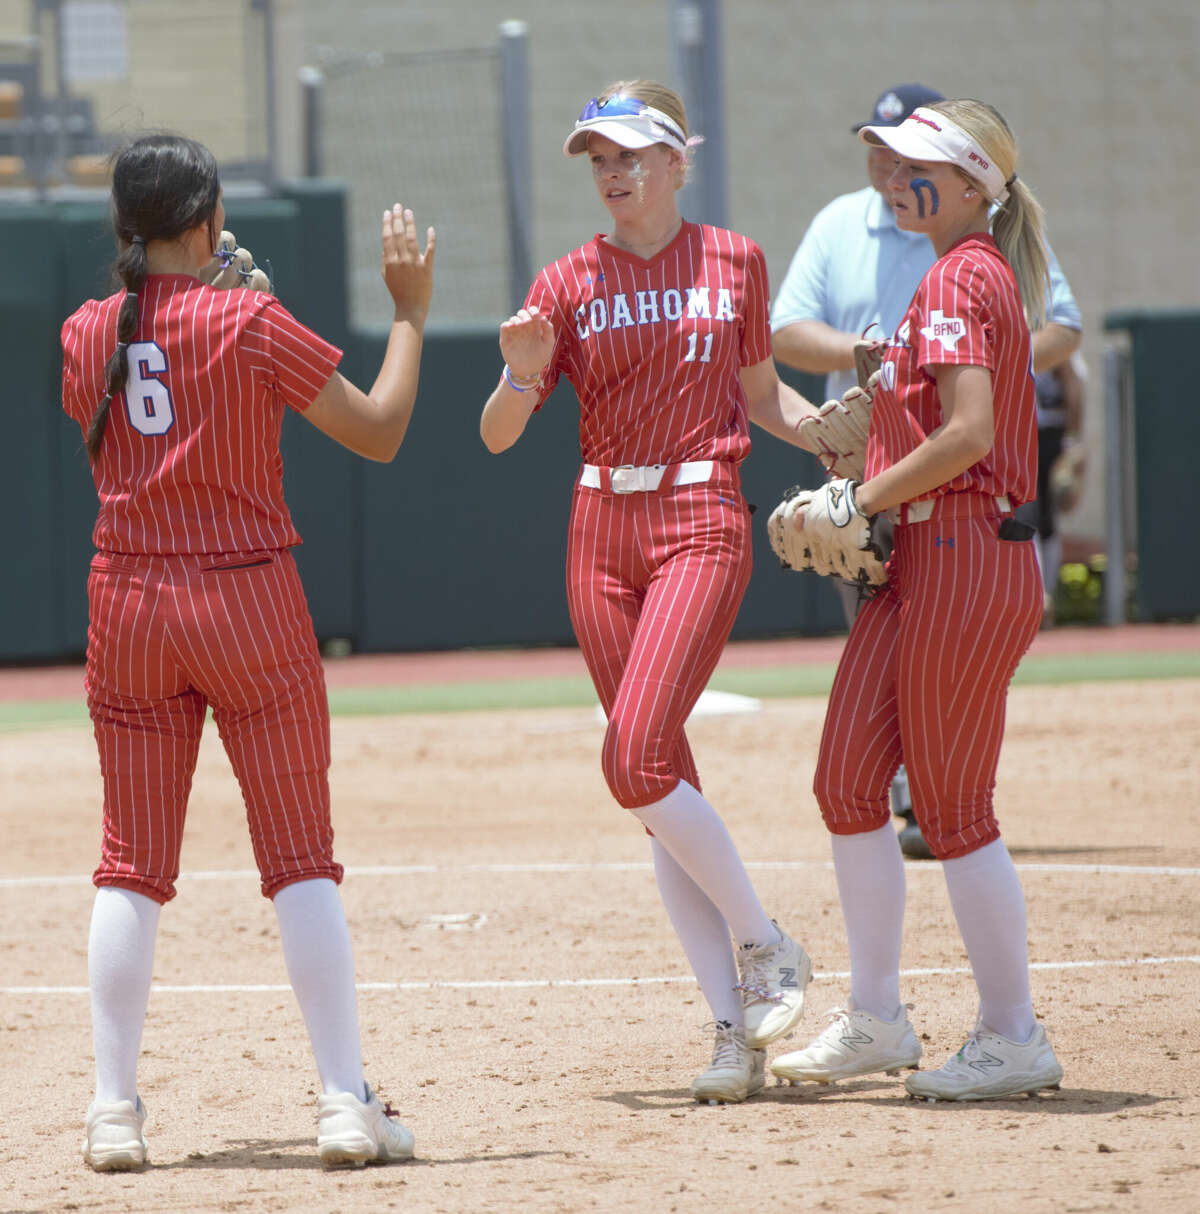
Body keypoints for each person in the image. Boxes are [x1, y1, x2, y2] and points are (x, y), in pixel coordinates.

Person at [60, 134, 435, 1169]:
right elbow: (380, 429)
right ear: (203, 223)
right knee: (299, 859)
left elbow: (143, 378)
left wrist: (206, 306)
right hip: (245, 599)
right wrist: (407, 312)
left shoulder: (85, 329)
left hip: (127, 599)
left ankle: (111, 1108)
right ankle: (343, 1100)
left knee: (130, 866)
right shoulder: (250, 318)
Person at [479, 81, 829, 1105]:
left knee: (631, 757)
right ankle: (733, 1028)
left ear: (682, 158)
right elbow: (498, 436)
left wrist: (840, 446)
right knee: (656, 787)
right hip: (600, 528)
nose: (613, 170)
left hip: (699, 517)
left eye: (632, 152)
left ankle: (766, 943)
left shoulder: (735, 259)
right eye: (598, 157)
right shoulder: (566, 280)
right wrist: (514, 378)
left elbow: (764, 398)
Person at [770, 99, 1065, 1100]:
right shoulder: (958, 274)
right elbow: (939, 420)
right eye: (889, 165)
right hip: (920, 559)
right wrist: (872, 439)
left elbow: (974, 432)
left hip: (967, 552)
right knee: (847, 780)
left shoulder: (960, 272)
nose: (897, 179)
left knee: (950, 808)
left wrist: (857, 492)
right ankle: (878, 1015)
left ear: (978, 182)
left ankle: (1012, 1032)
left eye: (919, 166)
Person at [1016, 354, 1087, 624]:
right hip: (1023, 433)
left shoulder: (1062, 349)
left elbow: (1075, 393)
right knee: (1026, 512)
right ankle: (1037, 594)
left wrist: (1072, 444)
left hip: (1052, 435)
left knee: (1047, 515)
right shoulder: (1017, 335)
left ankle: (1046, 593)